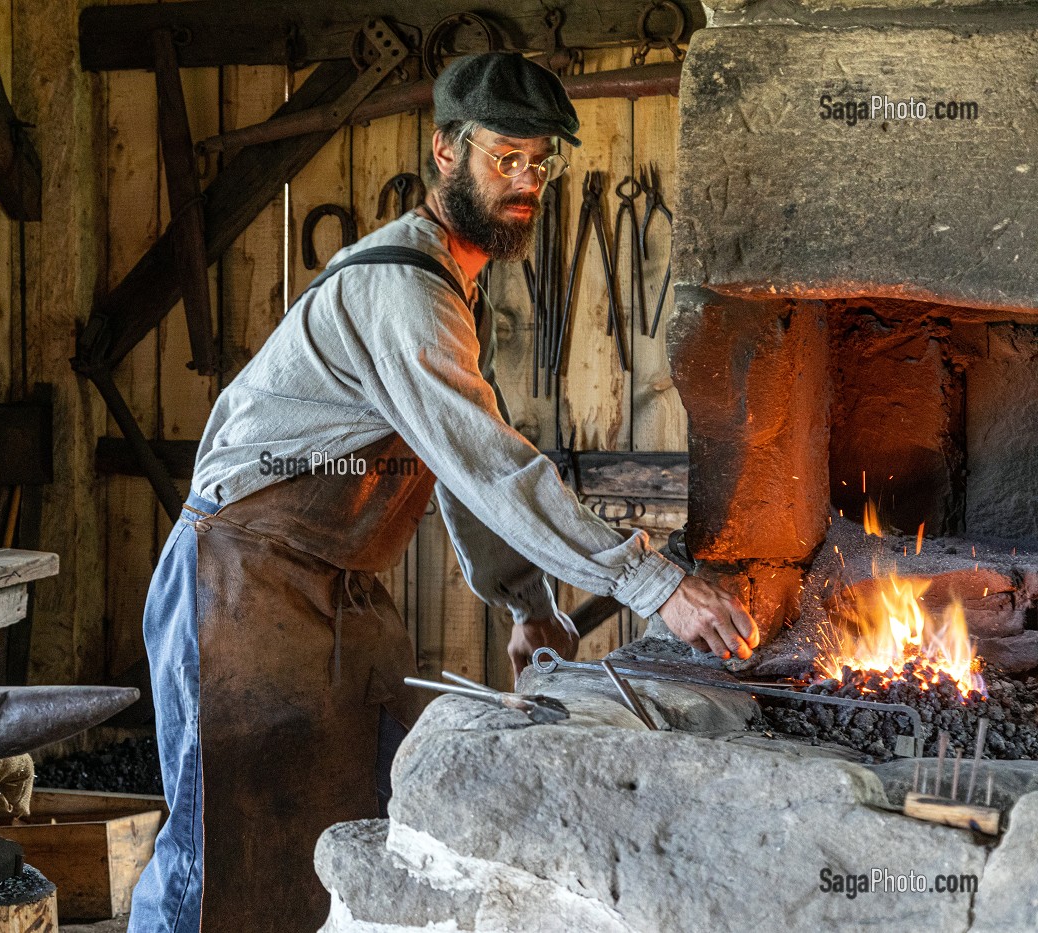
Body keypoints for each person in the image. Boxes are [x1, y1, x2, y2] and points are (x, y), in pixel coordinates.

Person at [127, 51, 759, 933]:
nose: (527, 182)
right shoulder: (401, 286)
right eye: (507, 158)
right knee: (218, 853)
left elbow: (459, 467)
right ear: (445, 152)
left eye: (541, 163)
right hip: (239, 586)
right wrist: (657, 585)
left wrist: (526, 605)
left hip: (335, 593)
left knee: (351, 837)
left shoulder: (451, 290)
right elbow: (493, 462)